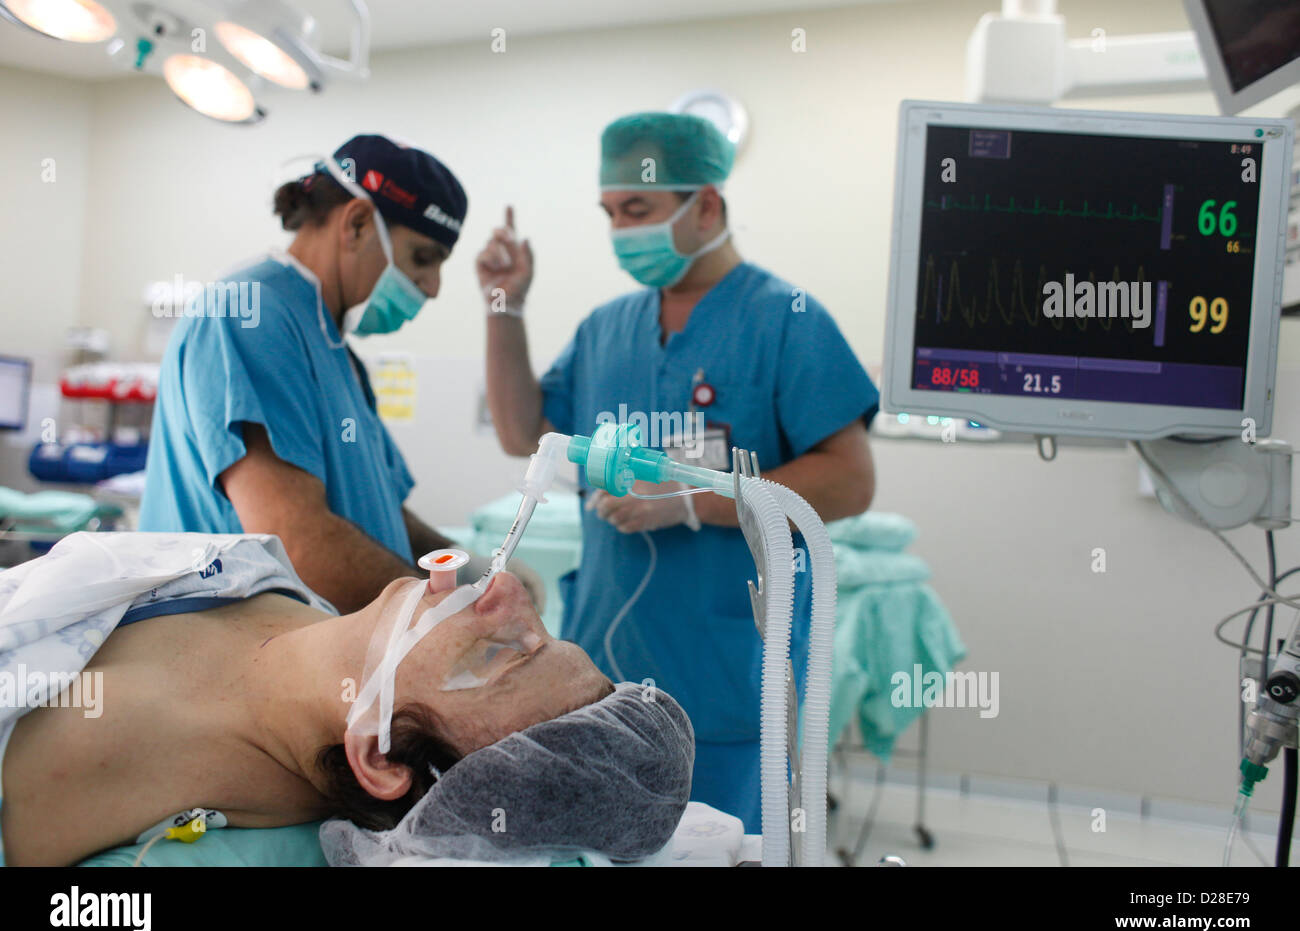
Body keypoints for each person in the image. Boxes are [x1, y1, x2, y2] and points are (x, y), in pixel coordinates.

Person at [478, 112, 880, 831]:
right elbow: (524, 434)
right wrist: (504, 304)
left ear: (708, 205)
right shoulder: (608, 328)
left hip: (727, 675)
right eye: (609, 213)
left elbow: (849, 481)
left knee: (724, 843)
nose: (620, 229)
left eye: (638, 209)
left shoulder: (785, 320)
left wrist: (699, 500)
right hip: (603, 665)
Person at [0, 531, 644, 866]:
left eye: (501, 654)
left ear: (381, 757)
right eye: (541, 631)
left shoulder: (94, 756)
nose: (500, 589)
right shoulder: (296, 606)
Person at [139, 134, 542, 614]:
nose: (433, 287)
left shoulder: (336, 350)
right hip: (222, 659)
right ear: (356, 223)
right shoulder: (248, 314)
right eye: (423, 258)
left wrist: (471, 573)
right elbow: (299, 544)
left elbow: (378, 516)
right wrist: (443, 613)